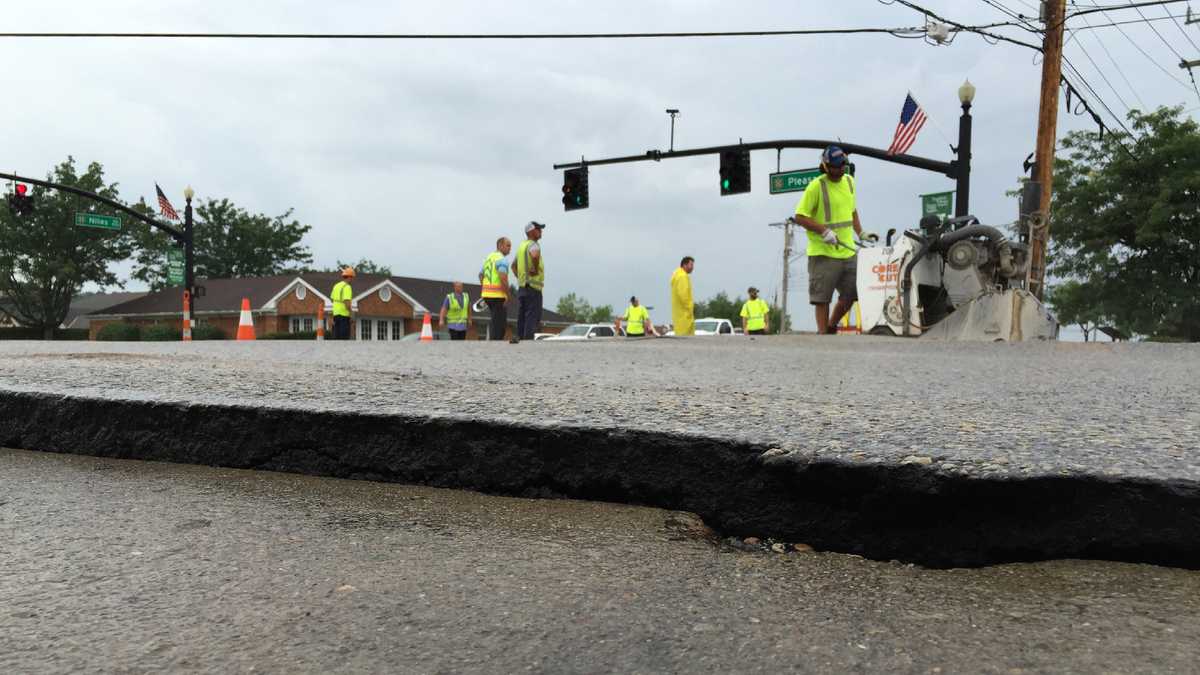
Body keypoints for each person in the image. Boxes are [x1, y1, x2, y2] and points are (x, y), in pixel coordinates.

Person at [789, 145, 877, 335]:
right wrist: (823, 231)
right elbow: (800, 217)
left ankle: (831, 325)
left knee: (852, 294)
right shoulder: (816, 186)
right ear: (826, 166)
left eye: (842, 166)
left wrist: (861, 233)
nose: (839, 170)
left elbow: (852, 210)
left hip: (847, 251)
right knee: (822, 298)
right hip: (823, 252)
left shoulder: (849, 182)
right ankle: (823, 335)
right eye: (836, 167)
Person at [513, 221, 546, 341]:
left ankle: (520, 340)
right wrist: (535, 268)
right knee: (532, 317)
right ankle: (527, 342)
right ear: (531, 232)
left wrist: (521, 278)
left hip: (523, 288)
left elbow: (513, 266)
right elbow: (535, 256)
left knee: (522, 316)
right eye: (538, 229)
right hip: (533, 288)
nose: (541, 232)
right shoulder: (533, 244)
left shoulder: (522, 246)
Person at [479, 237, 512, 341]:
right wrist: (507, 294)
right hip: (498, 296)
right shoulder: (501, 259)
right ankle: (495, 347)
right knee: (500, 325)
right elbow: (503, 277)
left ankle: (493, 343)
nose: (510, 248)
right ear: (500, 246)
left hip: (487, 295)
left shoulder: (489, 258)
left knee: (495, 320)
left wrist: (485, 287)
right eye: (508, 245)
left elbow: (480, 275)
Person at [670, 256, 695, 336]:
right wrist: (690, 308)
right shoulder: (682, 276)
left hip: (679, 316)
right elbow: (683, 296)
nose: (692, 267)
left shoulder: (677, 275)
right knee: (688, 342)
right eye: (691, 265)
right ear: (684, 265)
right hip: (685, 317)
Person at [330, 267, 355, 340]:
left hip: (335, 315)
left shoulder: (336, 286)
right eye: (352, 277)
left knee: (336, 338)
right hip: (344, 316)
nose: (353, 279)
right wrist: (351, 314)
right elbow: (347, 303)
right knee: (344, 339)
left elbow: (333, 300)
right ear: (350, 277)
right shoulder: (347, 287)